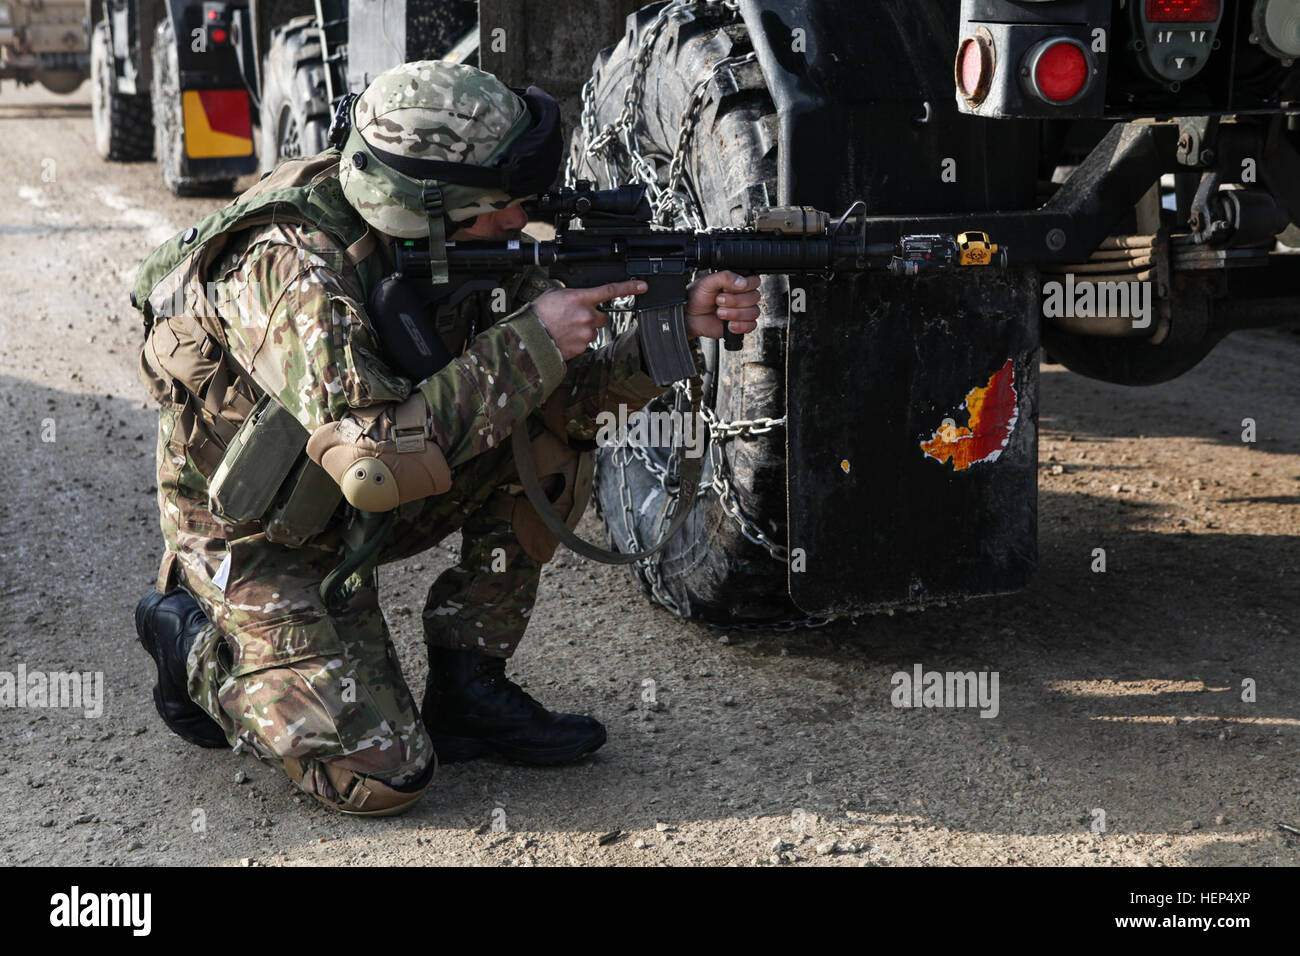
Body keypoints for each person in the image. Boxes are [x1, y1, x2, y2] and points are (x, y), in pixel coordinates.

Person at [131, 60, 761, 815]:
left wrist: (676, 331)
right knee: (381, 776)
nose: (521, 215)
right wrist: (533, 341)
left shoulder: (464, 242)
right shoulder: (294, 272)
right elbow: (374, 467)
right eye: (505, 203)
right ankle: (191, 641)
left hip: (362, 490)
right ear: (434, 206)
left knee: (552, 429)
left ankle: (470, 687)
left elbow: (568, 400)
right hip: (264, 530)